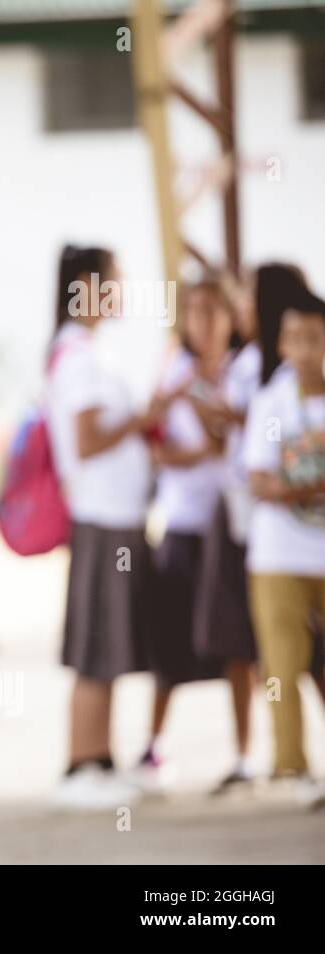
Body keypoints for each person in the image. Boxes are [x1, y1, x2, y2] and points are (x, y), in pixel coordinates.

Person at [46, 245, 165, 809]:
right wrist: (145, 418)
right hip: (102, 516)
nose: (121, 291)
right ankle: (80, 763)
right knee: (96, 641)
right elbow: (89, 439)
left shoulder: (89, 350)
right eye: (114, 281)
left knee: (109, 639)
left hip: (116, 514)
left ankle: (98, 758)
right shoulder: (77, 356)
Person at [137, 279, 233, 791]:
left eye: (213, 310)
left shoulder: (244, 370)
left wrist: (198, 399)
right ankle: (152, 745)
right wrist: (178, 393)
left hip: (232, 525)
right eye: (194, 312)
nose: (204, 321)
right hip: (182, 521)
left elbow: (224, 438)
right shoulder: (172, 371)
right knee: (170, 639)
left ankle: (249, 753)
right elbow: (152, 440)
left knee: (244, 644)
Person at [245, 289, 325, 808]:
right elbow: (258, 479)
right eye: (293, 338)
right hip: (278, 557)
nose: (303, 349)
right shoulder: (270, 404)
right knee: (282, 667)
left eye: (313, 339)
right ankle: (292, 767)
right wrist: (303, 490)